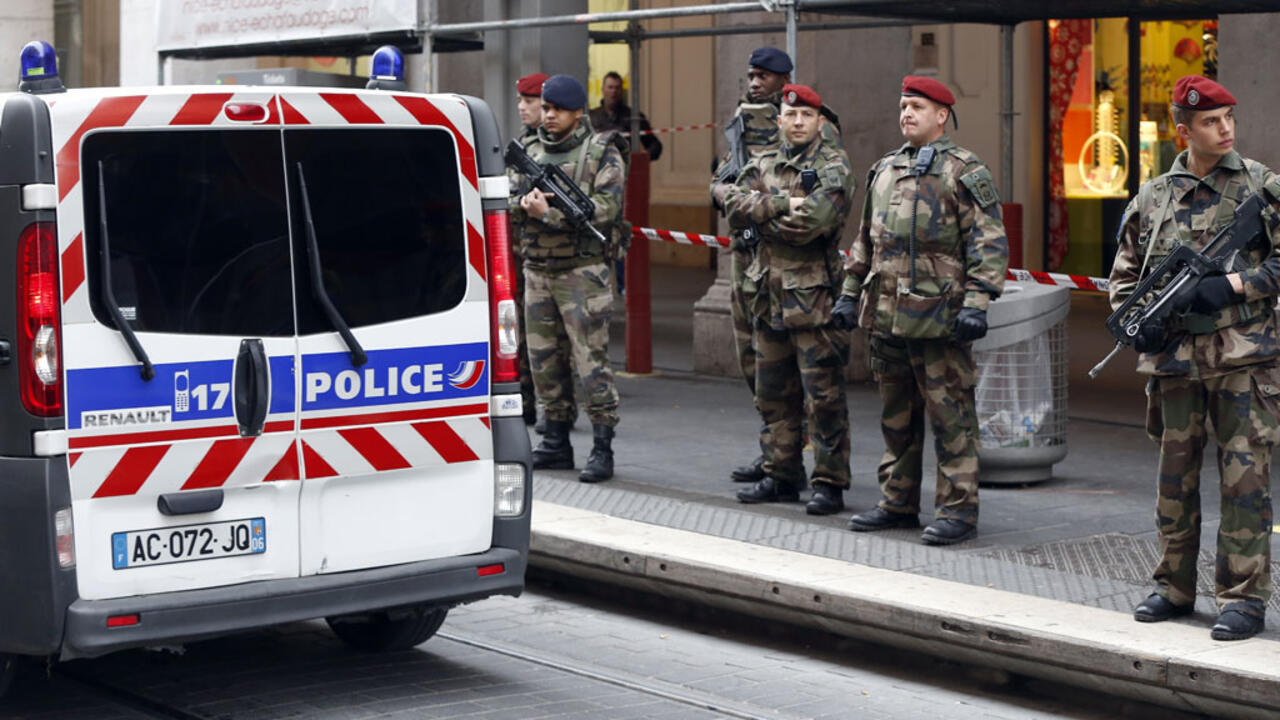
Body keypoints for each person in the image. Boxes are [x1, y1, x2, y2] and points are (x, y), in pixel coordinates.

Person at [1109, 75, 1279, 641]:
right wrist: (1142, 326)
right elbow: (1125, 277)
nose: (1224, 128)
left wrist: (1232, 285)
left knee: (1245, 481)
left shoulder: (1263, 188)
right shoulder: (1153, 198)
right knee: (1174, 482)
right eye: (1211, 121)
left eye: (1229, 116)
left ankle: (1243, 598)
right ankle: (1173, 587)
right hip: (1177, 363)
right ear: (1184, 131)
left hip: (1242, 360)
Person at [834, 76, 1007, 545]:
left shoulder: (964, 170)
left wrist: (977, 301)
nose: (906, 113)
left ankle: (958, 510)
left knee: (950, 416)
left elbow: (987, 242)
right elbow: (865, 240)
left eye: (917, 106)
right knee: (896, 416)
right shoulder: (884, 169)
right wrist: (850, 293)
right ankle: (897, 500)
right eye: (903, 105)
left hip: (940, 316)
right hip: (887, 314)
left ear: (941, 115)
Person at [713, 84, 854, 515]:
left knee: (822, 397)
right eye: (790, 116)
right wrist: (783, 204)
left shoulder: (833, 166)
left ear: (819, 123)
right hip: (766, 296)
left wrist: (761, 210)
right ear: (779, 120)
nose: (797, 123)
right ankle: (781, 474)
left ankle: (829, 482)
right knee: (773, 394)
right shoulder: (764, 161)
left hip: (812, 301)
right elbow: (730, 202)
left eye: (805, 116)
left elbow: (813, 222)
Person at [509, 74, 627, 483]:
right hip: (537, 269)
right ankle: (556, 441)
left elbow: (605, 209)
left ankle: (602, 447)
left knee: (589, 362)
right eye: (547, 107)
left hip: (582, 272)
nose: (550, 115)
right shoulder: (528, 148)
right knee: (544, 363)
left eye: (559, 109)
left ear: (578, 113)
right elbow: (505, 197)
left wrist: (548, 214)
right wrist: (523, 205)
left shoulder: (601, 153)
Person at [713, 46, 794, 487]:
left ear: (784, 80)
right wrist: (721, 189)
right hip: (743, 256)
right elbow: (725, 177)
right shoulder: (742, 121)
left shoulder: (799, 123)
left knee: (781, 362)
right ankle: (773, 449)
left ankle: (794, 454)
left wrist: (745, 199)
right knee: (751, 360)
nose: (756, 82)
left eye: (765, 76)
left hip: (779, 260)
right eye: (752, 75)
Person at [508, 72, 548, 427]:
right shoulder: (522, 146)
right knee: (520, 329)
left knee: (551, 340)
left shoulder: (556, 147)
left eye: (529, 101)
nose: (522, 107)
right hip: (521, 253)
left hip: (550, 255)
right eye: (521, 101)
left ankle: (557, 413)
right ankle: (526, 399)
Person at [589, 71, 663, 162]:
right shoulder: (591, 117)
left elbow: (655, 145)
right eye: (610, 87)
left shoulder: (633, 117)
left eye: (617, 88)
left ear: (621, 91)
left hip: (626, 170)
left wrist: (643, 158)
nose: (614, 91)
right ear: (603, 90)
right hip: (597, 170)